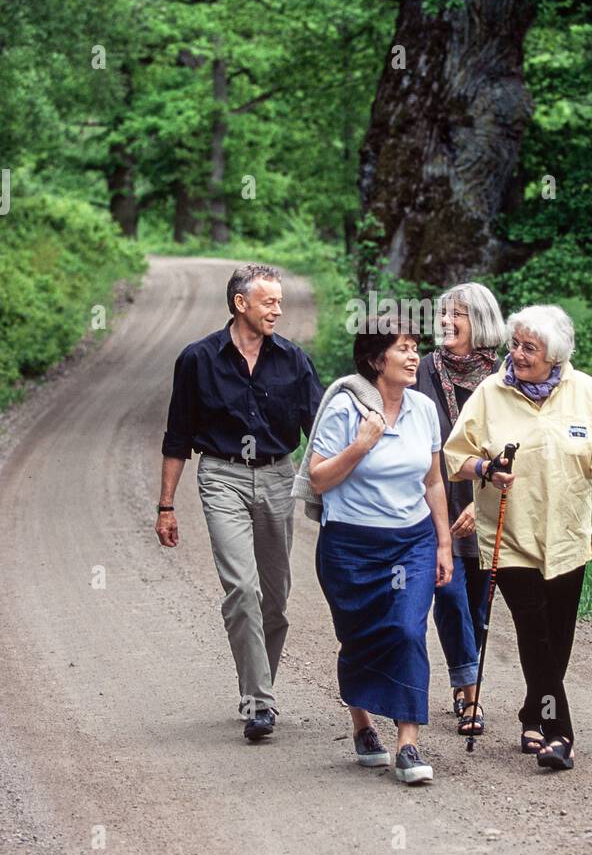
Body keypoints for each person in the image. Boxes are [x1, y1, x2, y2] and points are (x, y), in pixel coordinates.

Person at [444, 304, 592, 771]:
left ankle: (532, 712)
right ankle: (559, 732)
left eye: (530, 348)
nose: (518, 355)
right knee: (533, 629)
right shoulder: (490, 393)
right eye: (515, 345)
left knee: (557, 635)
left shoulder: (584, 391)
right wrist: (485, 468)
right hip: (510, 535)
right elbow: (454, 457)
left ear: (555, 355)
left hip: (566, 536)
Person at [155, 264, 323, 742]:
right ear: (240, 303)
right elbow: (177, 435)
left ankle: (258, 683)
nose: (278, 309)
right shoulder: (197, 359)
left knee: (276, 599)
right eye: (269, 301)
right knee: (242, 590)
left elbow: (320, 433)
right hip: (221, 475)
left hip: (277, 475)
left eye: (279, 302)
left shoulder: (294, 360)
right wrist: (166, 506)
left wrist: (337, 487)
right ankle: (259, 701)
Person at [306, 323, 453, 785]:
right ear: (376, 360)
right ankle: (363, 724)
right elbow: (319, 479)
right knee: (360, 635)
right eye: (403, 350)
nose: (414, 358)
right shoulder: (345, 409)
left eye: (415, 350)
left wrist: (444, 543)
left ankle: (407, 743)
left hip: (410, 542)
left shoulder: (424, 409)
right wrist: (362, 444)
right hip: (350, 544)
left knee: (408, 630)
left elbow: (432, 481)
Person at [413, 282, 505, 736]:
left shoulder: (504, 378)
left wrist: (481, 503)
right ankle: (470, 693)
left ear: (481, 322)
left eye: (458, 315)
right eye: (443, 313)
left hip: (488, 508)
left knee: (478, 605)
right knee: (449, 598)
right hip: (436, 507)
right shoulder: (424, 371)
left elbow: (515, 447)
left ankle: (465, 681)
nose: (446, 321)